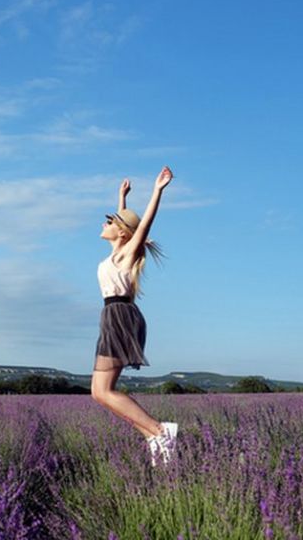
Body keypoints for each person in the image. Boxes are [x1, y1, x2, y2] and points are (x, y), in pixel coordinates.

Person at [90, 166, 177, 467]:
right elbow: (126, 226)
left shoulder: (127, 254)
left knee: (102, 391)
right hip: (113, 315)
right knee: (100, 393)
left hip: (120, 316)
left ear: (122, 232)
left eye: (110, 221)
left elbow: (142, 227)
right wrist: (121, 199)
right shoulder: (118, 252)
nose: (105, 223)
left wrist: (157, 191)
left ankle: (159, 431)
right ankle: (154, 437)